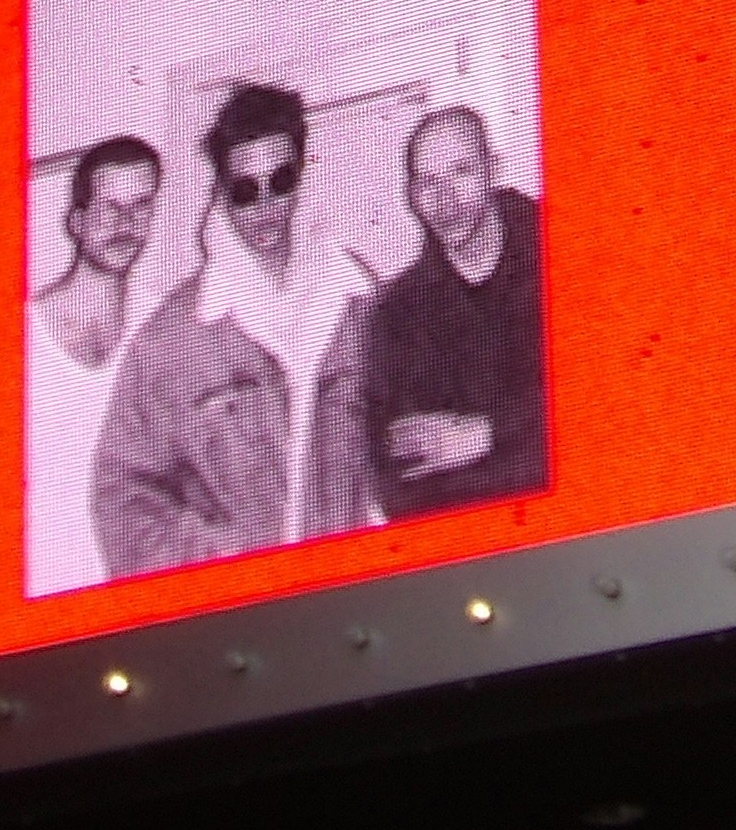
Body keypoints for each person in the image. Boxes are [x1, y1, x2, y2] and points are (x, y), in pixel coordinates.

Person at [92, 84, 374, 578]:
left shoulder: (358, 301)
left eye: (280, 180)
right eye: (245, 189)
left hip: (354, 590)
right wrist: (221, 556)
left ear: (303, 175)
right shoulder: (169, 343)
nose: (266, 205)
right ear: (222, 191)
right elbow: (122, 497)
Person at [346, 105, 547, 520]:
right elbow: (397, 470)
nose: (445, 200)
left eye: (461, 173)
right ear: (411, 194)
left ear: (493, 169)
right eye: (428, 182)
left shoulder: (560, 246)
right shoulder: (398, 313)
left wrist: (487, 435)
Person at [22, 138, 158, 594]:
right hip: (43, 591)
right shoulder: (22, 336)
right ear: (76, 221)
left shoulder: (159, 328)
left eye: (141, 205)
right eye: (108, 207)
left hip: (133, 585)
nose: (126, 224)